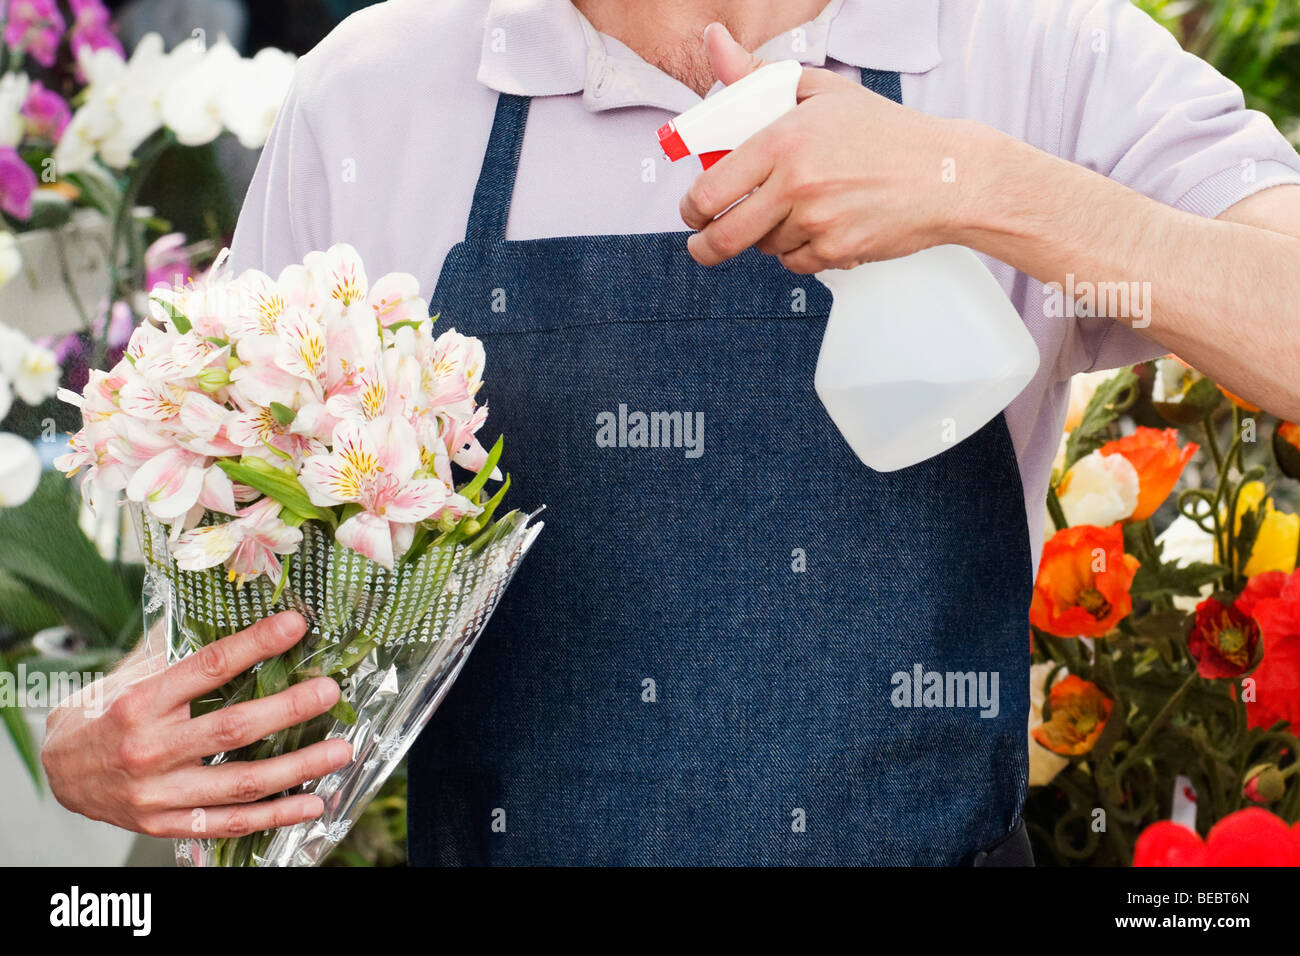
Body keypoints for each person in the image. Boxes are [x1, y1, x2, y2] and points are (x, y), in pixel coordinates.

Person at [43, 0, 1300, 865]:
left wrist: (975, 186)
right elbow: (252, 575)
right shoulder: (375, 95)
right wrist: (109, 730)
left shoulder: (1029, 46)